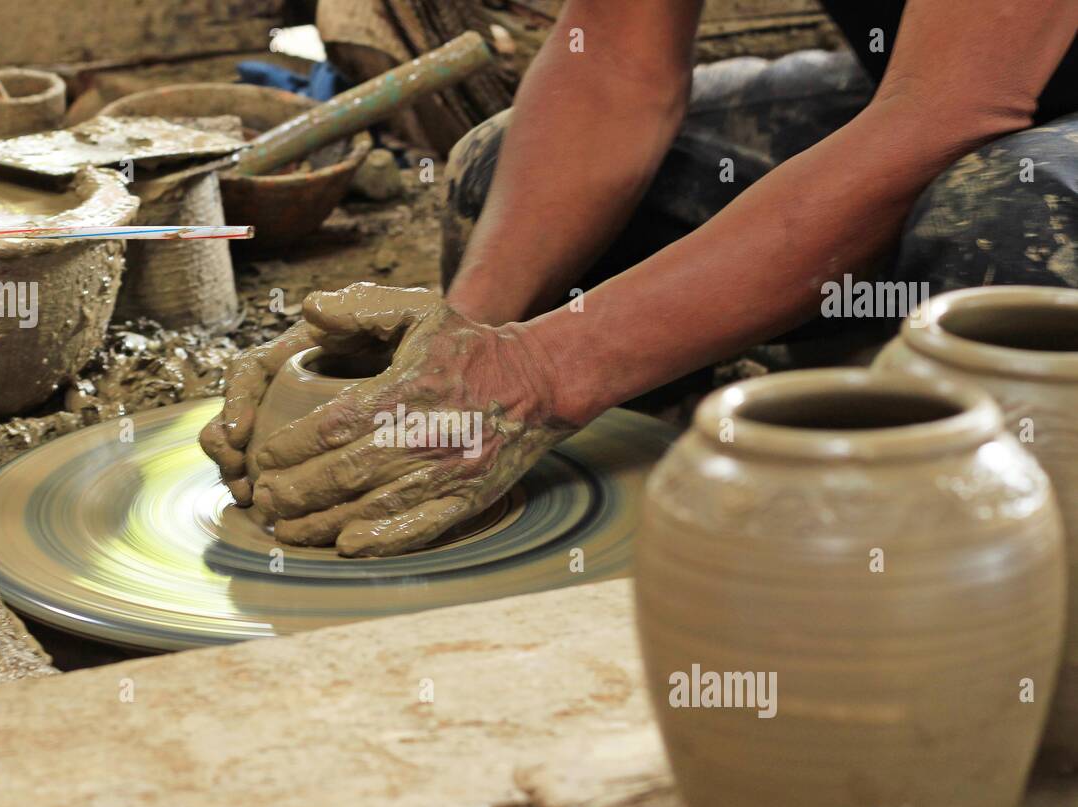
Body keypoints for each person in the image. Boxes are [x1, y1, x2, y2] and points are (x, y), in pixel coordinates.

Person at [201, 0, 1078, 558]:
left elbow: (954, 112)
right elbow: (616, 63)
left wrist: (541, 374)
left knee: (1000, 216)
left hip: (983, 115)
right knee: (497, 169)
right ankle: (671, 519)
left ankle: (979, 604)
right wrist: (455, 343)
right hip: (934, 83)